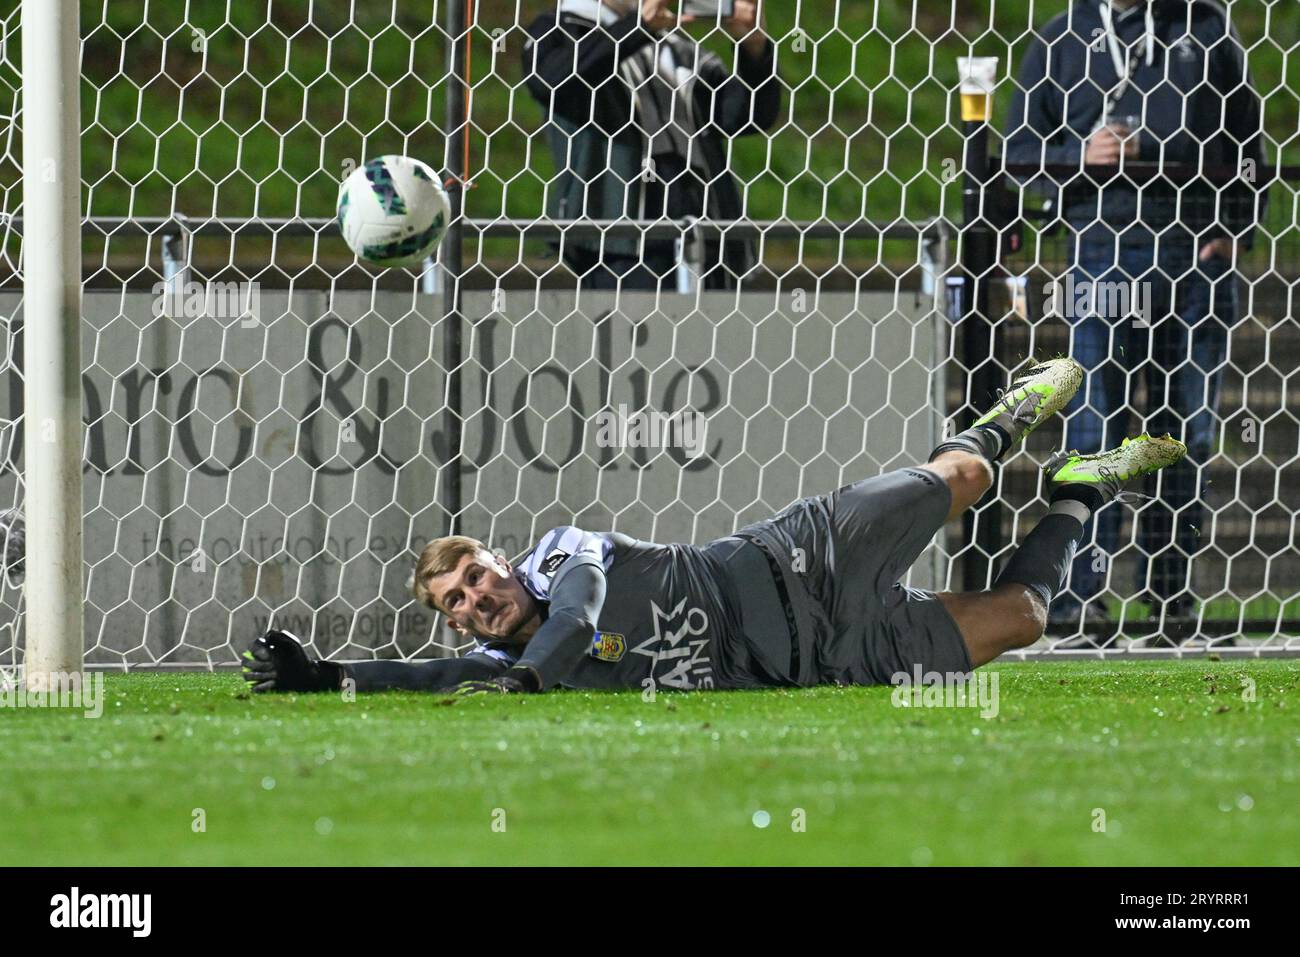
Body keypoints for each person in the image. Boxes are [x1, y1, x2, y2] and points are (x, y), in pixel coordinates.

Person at [242, 358, 1190, 696]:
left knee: (968, 474)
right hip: (830, 657)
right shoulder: (497, 662)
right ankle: (1080, 488)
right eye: (459, 603)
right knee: (1023, 615)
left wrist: (533, 674)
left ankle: (1000, 418)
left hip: (797, 558)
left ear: (503, 558)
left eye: (479, 576)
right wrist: (327, 675)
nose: (479, 599)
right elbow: (433, 674)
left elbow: (575, 614)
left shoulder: (564, 553)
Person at [1003, 0, 1267, 646]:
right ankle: (1079, 599)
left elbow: (1249, 142)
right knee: (1096, 432)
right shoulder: (1062, 36)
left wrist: (1236, 229)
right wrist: (1077, 154)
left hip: (1194, 251)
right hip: (1101, 251)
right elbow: (1017, 152)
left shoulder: (1206, 27)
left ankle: (1169, 598)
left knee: (1189, 434)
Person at [519, 0, 781, 290]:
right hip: (620, 238)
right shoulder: (561, 29)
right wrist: (637, 28)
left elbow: (745, 117)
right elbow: (551, 81)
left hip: (705, 228)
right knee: (633, 331)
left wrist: (753, 48)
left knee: (715, 332)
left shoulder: (674, 47)